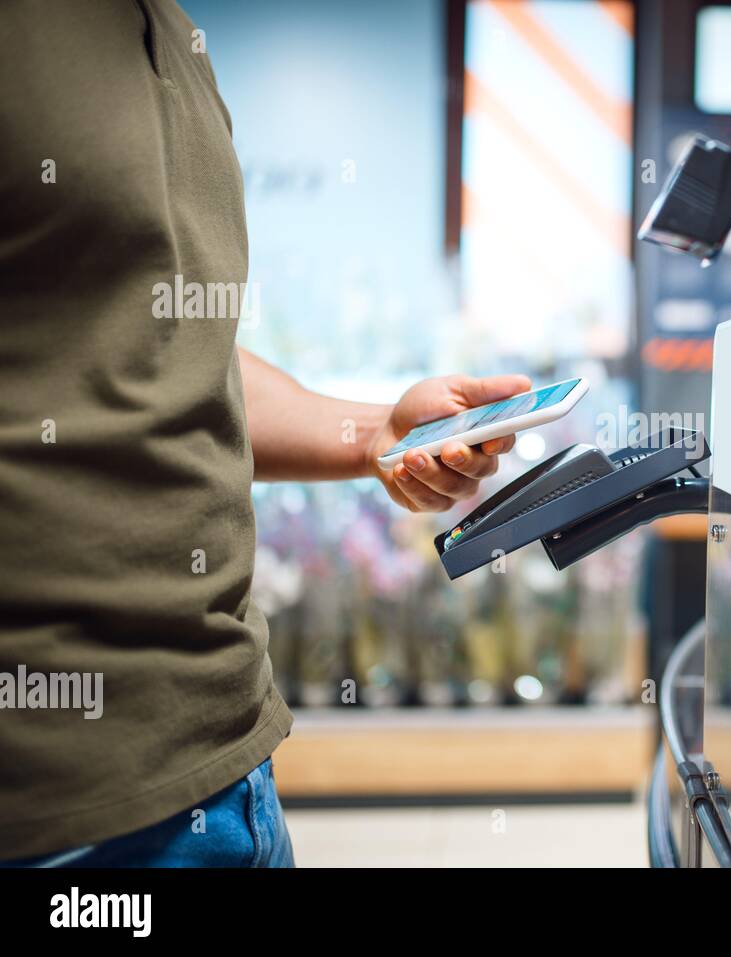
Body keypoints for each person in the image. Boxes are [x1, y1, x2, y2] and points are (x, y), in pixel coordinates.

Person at [0, 0, 528, 866]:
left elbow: (164, 352)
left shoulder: (173, 29)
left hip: (233, 769)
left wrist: (375, 432)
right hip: (61, 813)